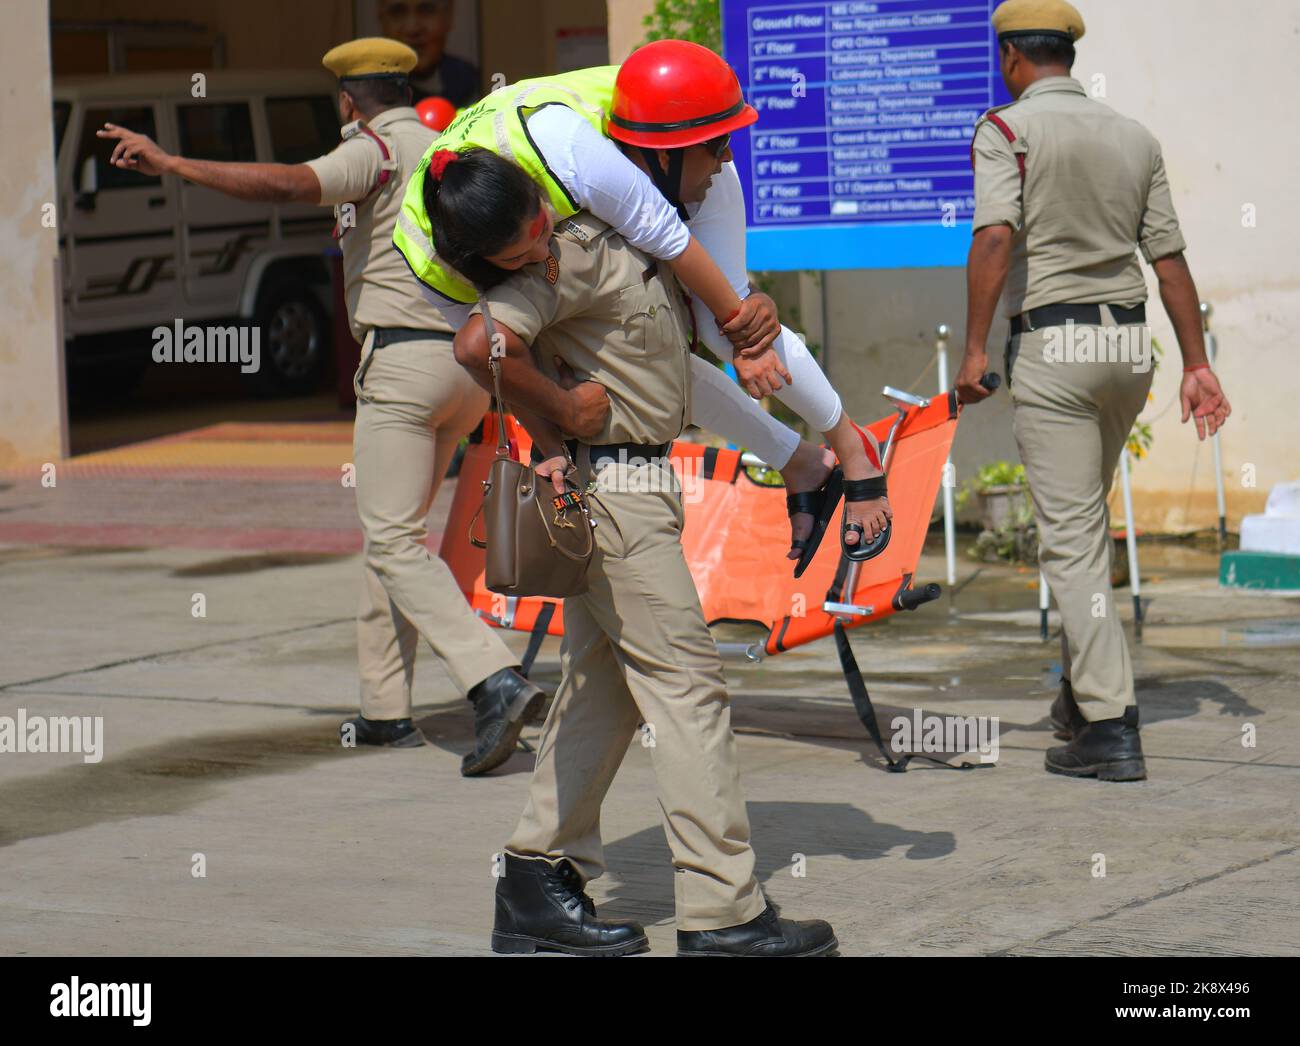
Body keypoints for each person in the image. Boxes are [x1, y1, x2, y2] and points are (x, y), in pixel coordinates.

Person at [98, 38, 546, 776]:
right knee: (391, 537)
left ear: (348, 100)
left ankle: (493, 679)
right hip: (468, 369)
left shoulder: (374, 151)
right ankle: (384, 709)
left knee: (395, 542)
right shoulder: (449, 145)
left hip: (403, 369)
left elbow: (285, 184)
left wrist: (174, 164)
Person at [450, 163, 838, 955]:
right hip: (614, 495)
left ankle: (534, 877)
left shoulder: (647, 239)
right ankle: (723, 912)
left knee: (603, 690)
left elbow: (695, 365)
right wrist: (558, 412)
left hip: (638, 484)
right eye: (706, 149)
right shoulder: (572, 253)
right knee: (688, 691)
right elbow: (479, 342)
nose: (719, 165)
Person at [394, 41, 893, 574]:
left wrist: (740, 330)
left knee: (719, 327)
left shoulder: (567, 153)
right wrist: (552, 441)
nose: (544, 254)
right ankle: (803, 464)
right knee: (625, 354)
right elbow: (501, 365)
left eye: (545, 231)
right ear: (482, 262)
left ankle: (852, 445)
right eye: (522, 256)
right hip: (654, 157)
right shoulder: (433, 266)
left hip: (677, 140)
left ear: (538, 192)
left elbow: (668, 235)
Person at [955, 0, 1232, 781]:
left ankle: (1110, 727)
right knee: (1086, 518)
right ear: (1067, 57)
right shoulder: (1134, 136)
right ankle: (1080, 697)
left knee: (1070, 540)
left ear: (1011, 58)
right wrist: (1198, 364)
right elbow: (1169, 261)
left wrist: (975, 347)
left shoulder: (1006, 130)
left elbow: (996, 236)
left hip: (1056, 346)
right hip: (1126, 349)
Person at [377, 0, 479, 107]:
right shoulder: (367, 96)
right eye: (397, 12)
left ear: (448, 15)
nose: (412, 29)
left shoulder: (473, 83)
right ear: (381, 18)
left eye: (427, 10)